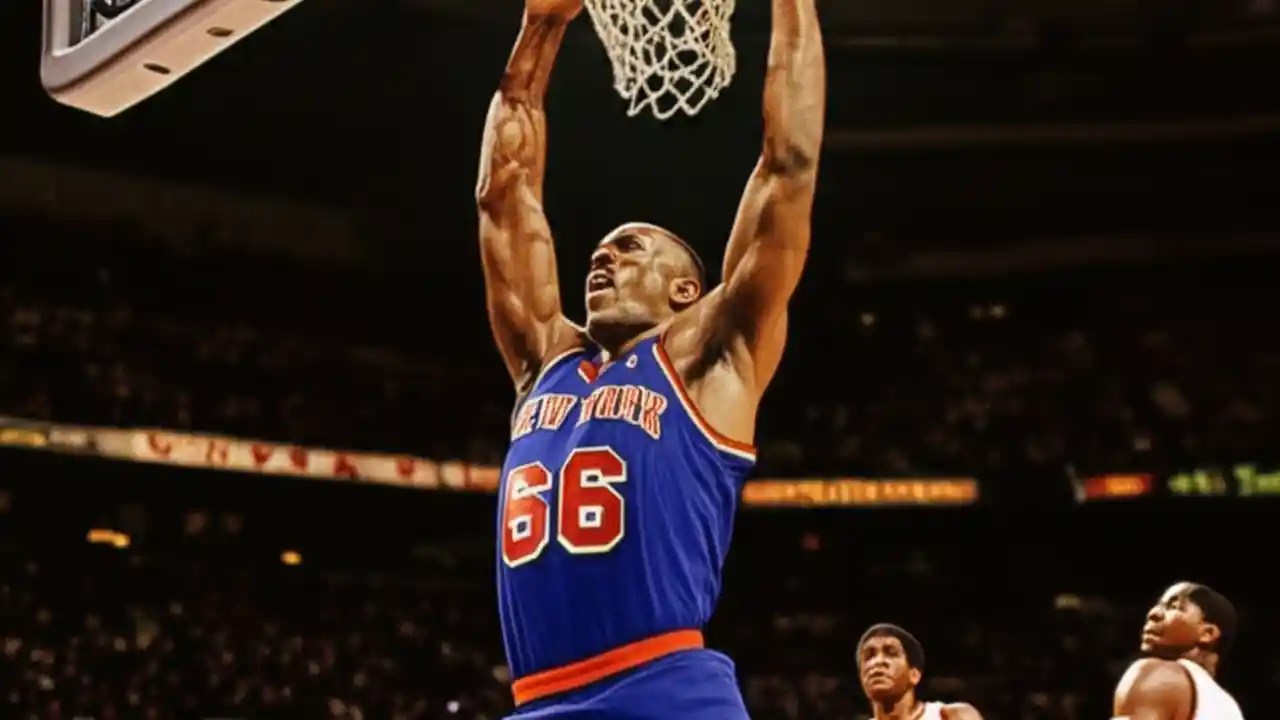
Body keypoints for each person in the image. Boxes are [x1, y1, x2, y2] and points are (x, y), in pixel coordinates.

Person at [474, 0, 825, 713]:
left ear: (686, 288)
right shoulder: (545, 361)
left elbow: (787, 166)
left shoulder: (711, 356)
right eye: (598, 253)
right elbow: (501, 193)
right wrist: (540, 28)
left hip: (662, 687)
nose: (602, 260)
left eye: (630, 249)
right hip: (537, 699)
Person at [1112, 581, 1245, 720]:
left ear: (1208, 633)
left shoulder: (1160, 674)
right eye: (1157, 606)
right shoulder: (1230, 708)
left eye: (1174, 606)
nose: (1153, 613)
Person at [857, 623, 984, 720]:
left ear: (914, 674)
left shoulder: (950, 715)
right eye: (869, 656)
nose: (878, 661)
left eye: (891, 653)